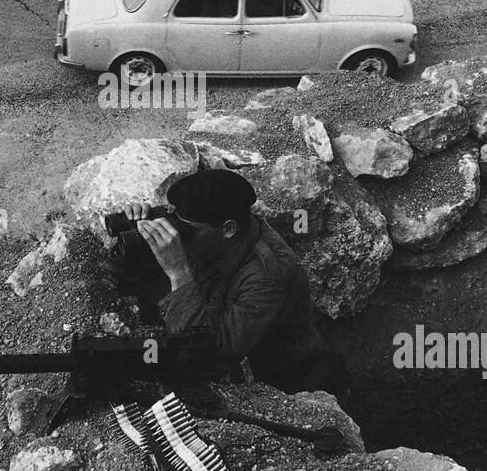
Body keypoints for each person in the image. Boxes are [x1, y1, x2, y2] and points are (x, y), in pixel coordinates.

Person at [121, 169, 343, 395]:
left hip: (292, 374)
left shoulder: (268, 275)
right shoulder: (213, 240)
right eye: (176, 223)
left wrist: (178, 272)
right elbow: (128, 282)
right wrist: (136, 234)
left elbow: (210, 351)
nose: (179, 235)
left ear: (228, 229)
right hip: (240, 340)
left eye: (187, 230)